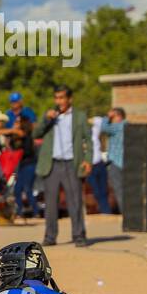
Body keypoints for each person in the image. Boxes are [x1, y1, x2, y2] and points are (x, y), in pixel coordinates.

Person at [33, 86, 91, 248]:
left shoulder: (79, 116)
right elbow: (35, 134)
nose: (59, 101)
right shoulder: (50, 116)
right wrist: (46, 120)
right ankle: (50, 236)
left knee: (75, 202)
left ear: (69, 99)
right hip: (52, 164)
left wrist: (88, 160)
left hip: (72, 163)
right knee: (50, 204)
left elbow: (89, 139)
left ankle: (79, 235)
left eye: (62, 98)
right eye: (56, 98)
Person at [0, 92, 39, 217]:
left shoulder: (27, 116)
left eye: (16, 101)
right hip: (20, 164)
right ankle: (19, 212)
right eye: (12, 102)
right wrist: (12, 132)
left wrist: (17, 130)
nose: (14, 104)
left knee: (27, 188)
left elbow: (31, 128)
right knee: (18, 189)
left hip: (29, 163)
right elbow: (3, 132)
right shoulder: (9, 115)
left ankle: (35, 212)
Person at [98, 108, 126, 214]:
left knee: (119, 190)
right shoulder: (127, 125)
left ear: (118, 116)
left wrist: (107, 117)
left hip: (116, 162)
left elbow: (104, 128)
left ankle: (125, 213)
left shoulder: (117, 126)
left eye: (112, 117)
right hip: (127, 162)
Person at [88, 115, 111, 214]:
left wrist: (87, 119)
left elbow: (100, 120)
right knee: (96, 191)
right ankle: (102, 210)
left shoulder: (93, 132)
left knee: (103, 190)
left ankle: (106, 211)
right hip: (89, 166)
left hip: (99, 163)